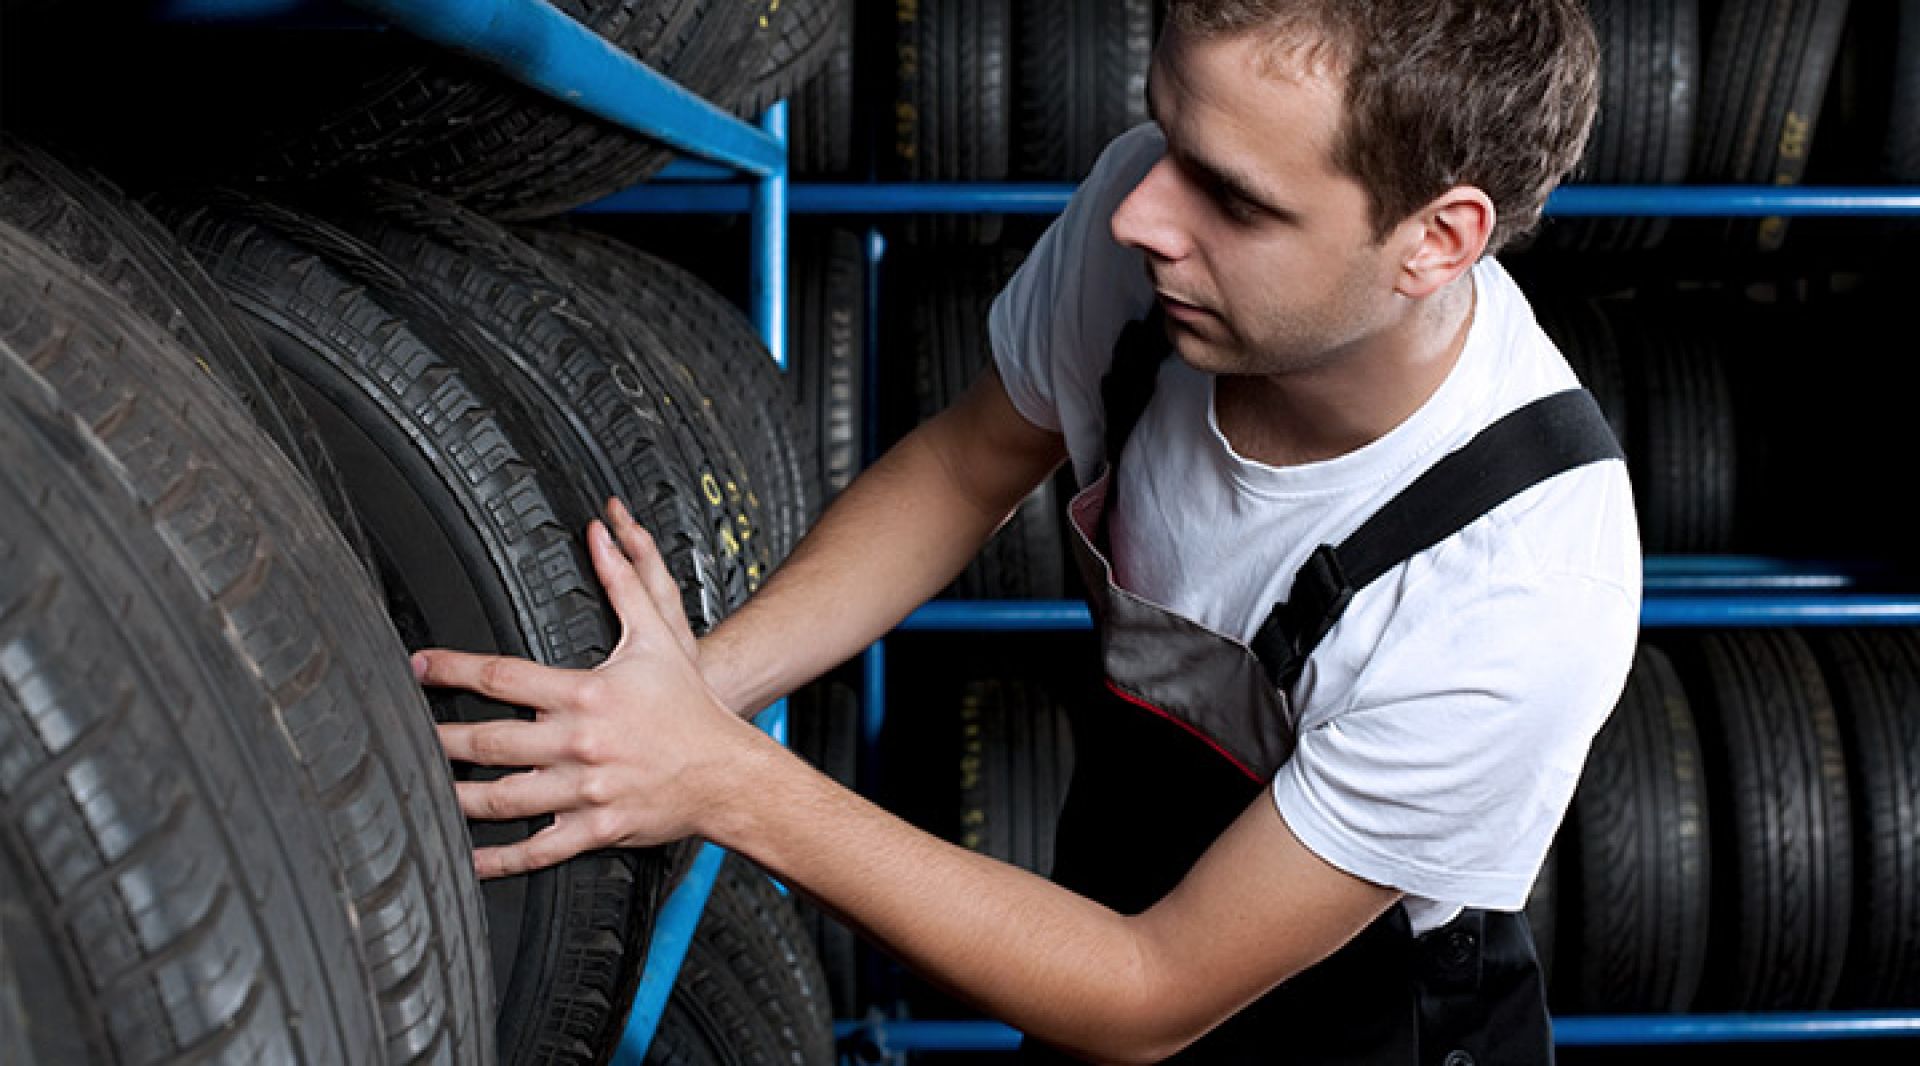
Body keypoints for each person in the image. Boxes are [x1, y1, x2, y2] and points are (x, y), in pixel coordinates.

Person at [414, 2, 1639, 1062]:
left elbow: (1150, 989)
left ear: (1438, 240)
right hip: (1105, 925)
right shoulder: (1160, 245)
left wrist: (721, 779)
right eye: (1167, 133)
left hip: (1329, 1020)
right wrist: (686, 694)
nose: (1142, 212)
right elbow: (966, 466)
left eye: (1233, 196)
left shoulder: (1522, 587)